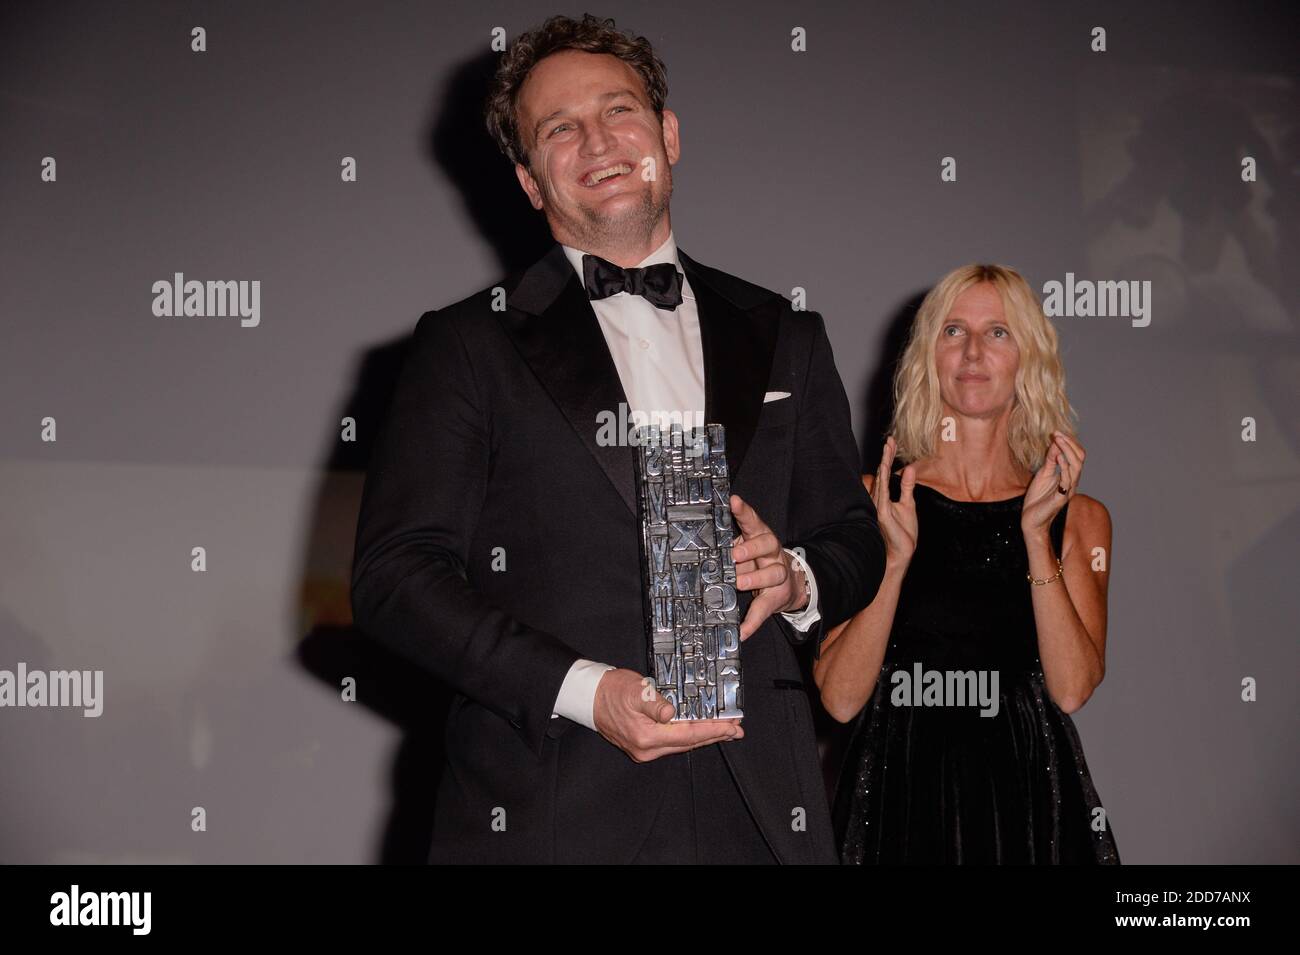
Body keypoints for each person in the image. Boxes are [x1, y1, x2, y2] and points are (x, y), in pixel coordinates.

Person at [349, 13, 885, 864]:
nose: (597, 140)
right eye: (559, 129)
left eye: (619, 110)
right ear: (530, 180)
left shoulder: (787, 332)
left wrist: (798, 576)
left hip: (764, 810)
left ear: (667, 134)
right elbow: (394, 576)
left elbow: (853, 537)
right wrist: (586, 692)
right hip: (553, 808)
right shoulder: (465, 344)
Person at [816, 263, 1120, 864]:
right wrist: (894, 562)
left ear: (1028, 359)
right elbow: (840, 699)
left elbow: (1073, 688)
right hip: (898, 797)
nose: (974, 351)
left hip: (1030, 799)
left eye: (998, 333)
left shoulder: (1077, 517)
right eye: (954, 331)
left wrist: (1036, 537)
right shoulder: (871, 498)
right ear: (929, 354)